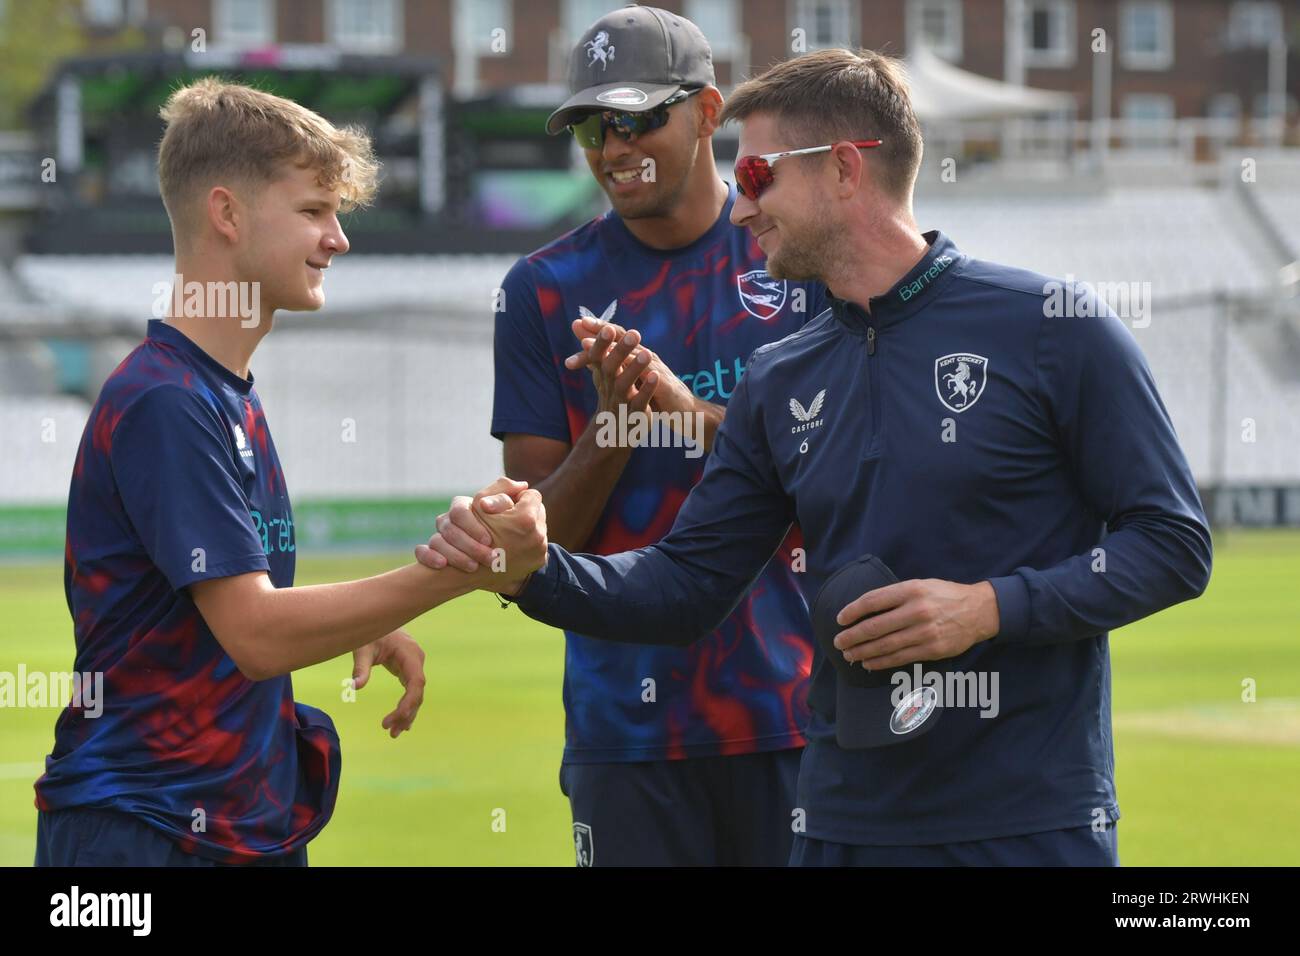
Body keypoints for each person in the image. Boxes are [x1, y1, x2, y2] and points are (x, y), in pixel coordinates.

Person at [421, 48, 1213, 866]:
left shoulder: (1054, 327)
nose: (738, 210)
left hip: (1026, 823)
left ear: (843, 169)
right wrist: (529, 567)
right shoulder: (779, 375)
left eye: (758, 176)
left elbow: (1173, 544)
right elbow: (684, 585)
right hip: (840, 826)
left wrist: (988, 607)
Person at [34, 79, 546, 866]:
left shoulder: (218, 391)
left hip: (233, 820)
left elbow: (232, 614)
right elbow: (255, 635)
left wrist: (369, 615)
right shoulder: (167, 403)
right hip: (143, 834)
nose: (337, 239)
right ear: (227, 214)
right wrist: (468, 566)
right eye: (314, 211)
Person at [429, 4, 826, 866]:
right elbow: (538, 548)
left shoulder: (798, 259)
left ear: (709, 113)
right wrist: (616, 425)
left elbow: (844, 476)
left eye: (640, 116)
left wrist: (687, 415)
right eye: (592, 127)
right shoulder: (541, 289)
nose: (613, 146)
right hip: (626, 735)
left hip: (798, 719)